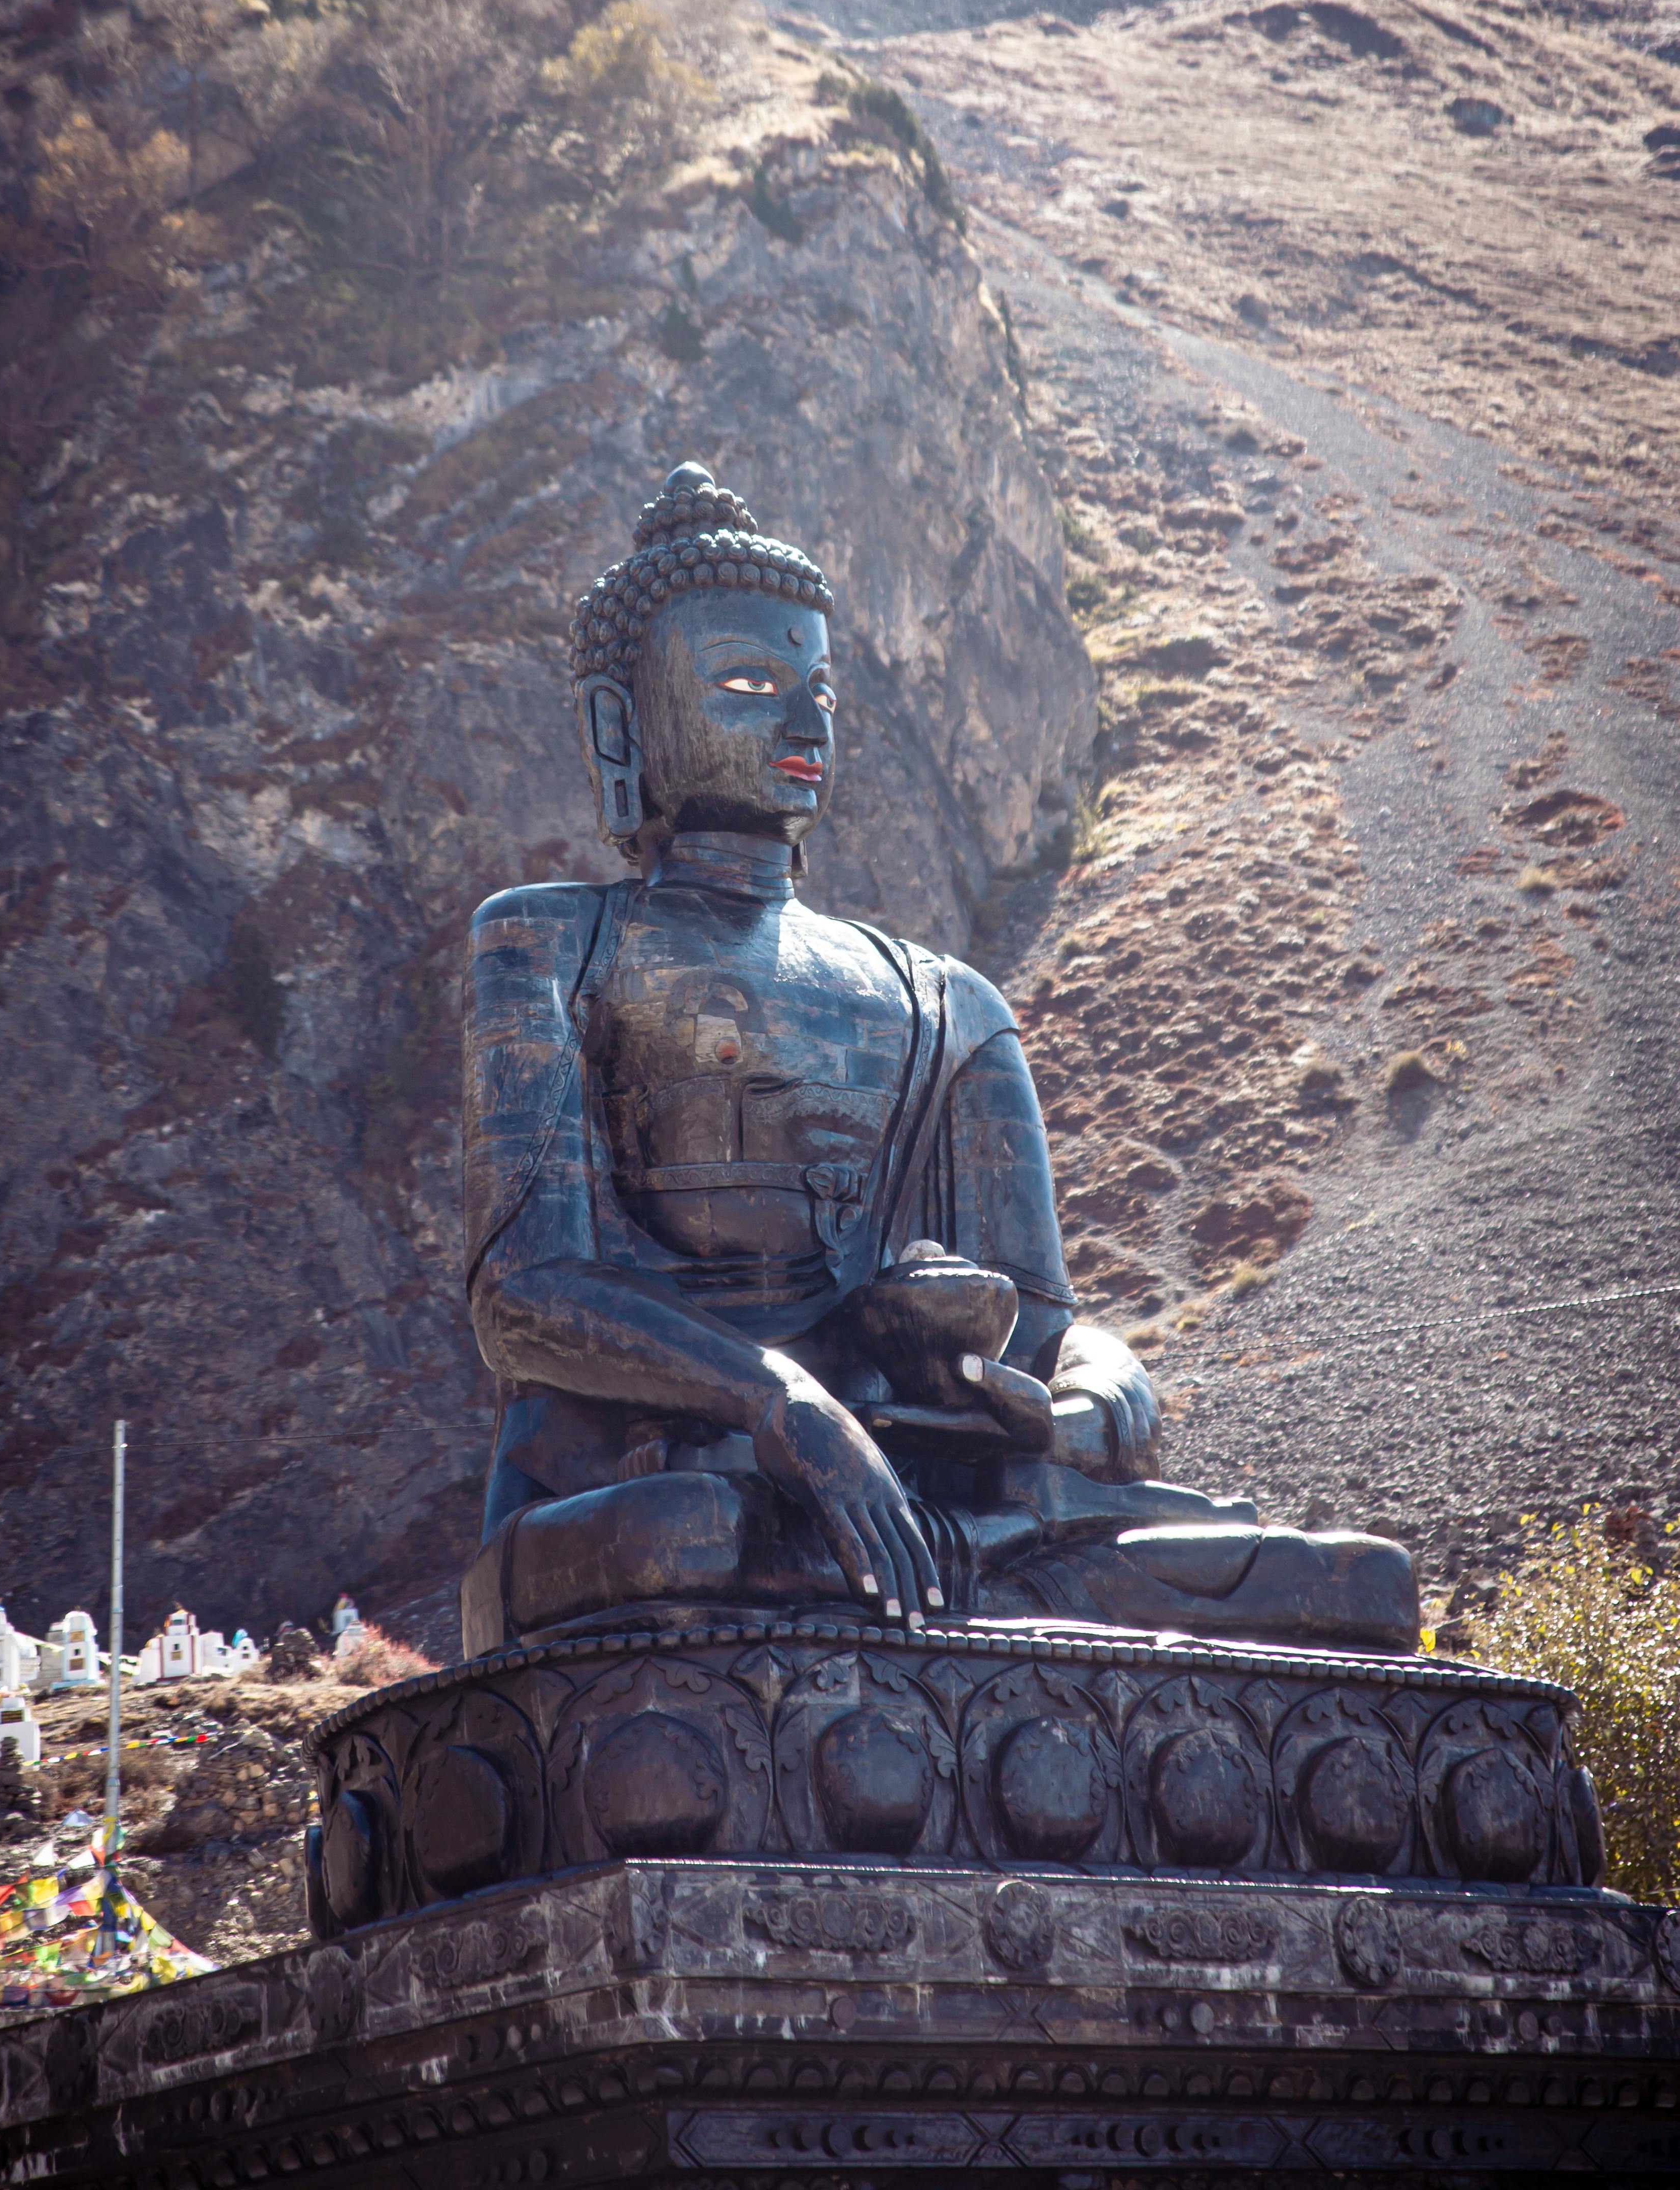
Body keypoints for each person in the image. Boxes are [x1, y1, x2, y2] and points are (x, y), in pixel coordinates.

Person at [458, 465, 1416, 1657]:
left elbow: (1046, 1323)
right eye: (750, 684)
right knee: (696, 1534)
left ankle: (955, 1607)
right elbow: (524, 1295)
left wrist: (1096, 1405)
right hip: (675, 1475)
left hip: (932, 1487)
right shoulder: (553, 940)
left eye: (821, 690)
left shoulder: (945, 998)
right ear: (622, 720)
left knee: (1350, 1584)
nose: (804, 725)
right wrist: (778, 1399)